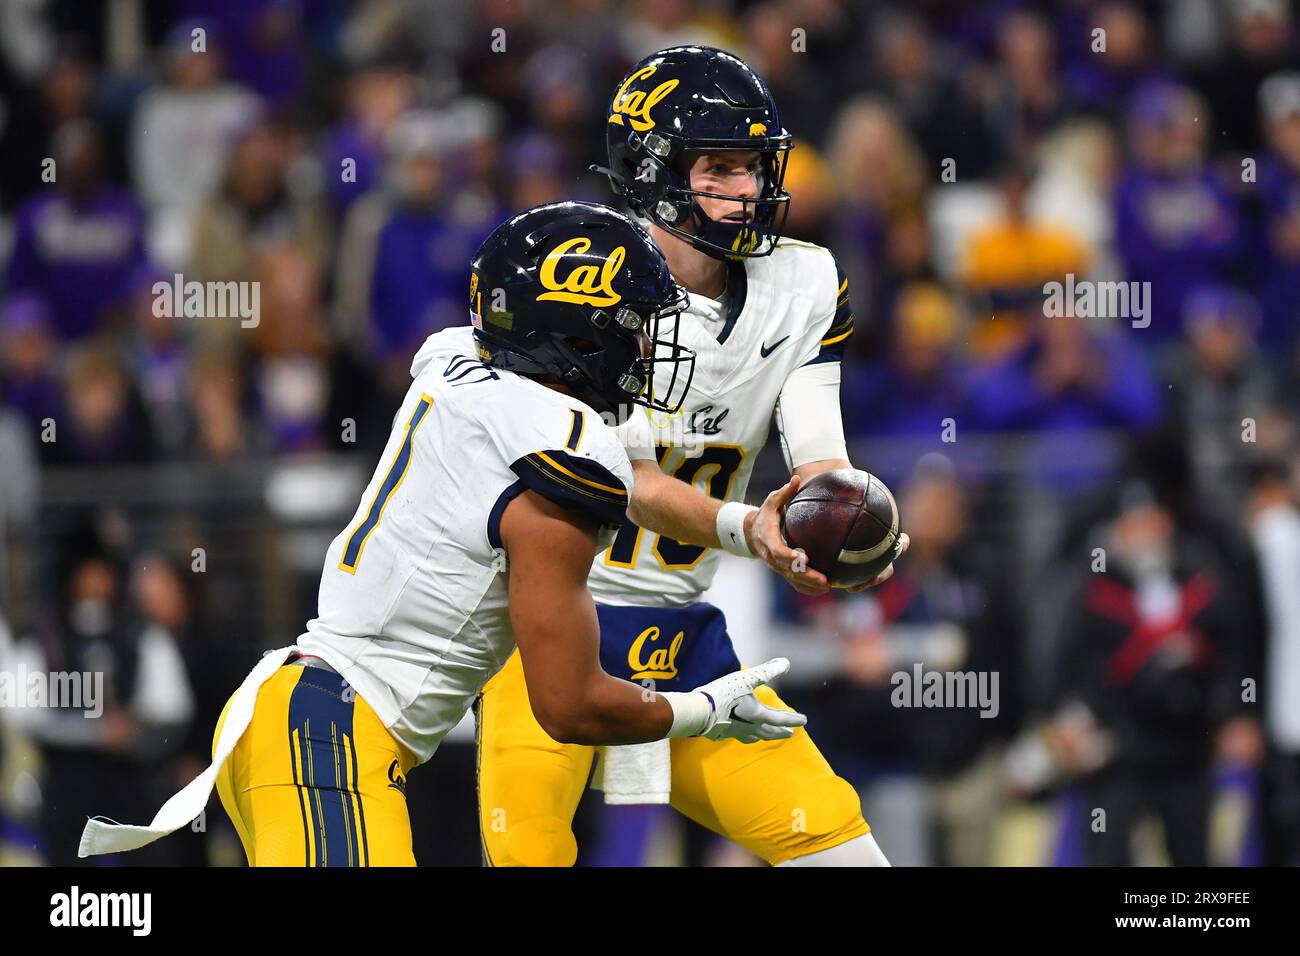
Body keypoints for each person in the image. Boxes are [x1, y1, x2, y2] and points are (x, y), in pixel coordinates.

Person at [78, 201, 804, 866]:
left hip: (303, 717)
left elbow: (629, 472)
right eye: (633, 328)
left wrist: (743, 525)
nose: (649, 351)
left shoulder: (454, 354)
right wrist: (703, 710)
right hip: (326, 736)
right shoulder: (565, 461)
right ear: (577, 333)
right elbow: (569, 703)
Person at [476, 47, 902, 868]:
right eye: (720, 167)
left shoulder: (803, 282)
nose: (748, 190)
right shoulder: (582, 277)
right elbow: (626, 482)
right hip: (547, 627)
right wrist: (754, 529)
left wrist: (842, 525)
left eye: (755, 166)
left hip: (680, 639)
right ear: (650, 169)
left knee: (845, 855)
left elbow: (817, 455)